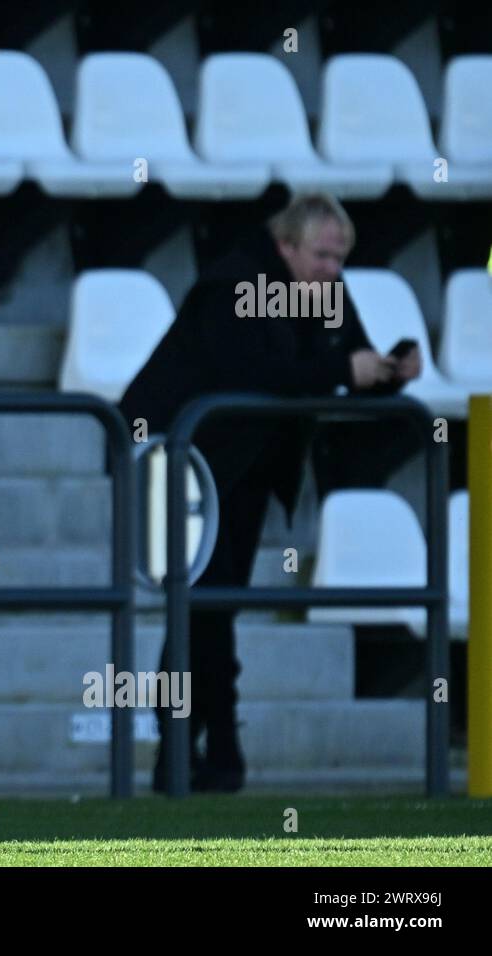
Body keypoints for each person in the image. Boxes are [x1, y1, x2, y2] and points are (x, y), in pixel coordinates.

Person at [119, 193, 421, 792]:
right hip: (186, 456)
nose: (332, 271)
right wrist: (345, 372)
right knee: (201, 605)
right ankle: (205, 750)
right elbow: (256, 372)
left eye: (340, 259)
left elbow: (342, 366)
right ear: (285, 245)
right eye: (321, 257)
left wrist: (390, 371)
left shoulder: (322, 291)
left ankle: (194, 753)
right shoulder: (234, 282)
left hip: (242, 459)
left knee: (210, 608)